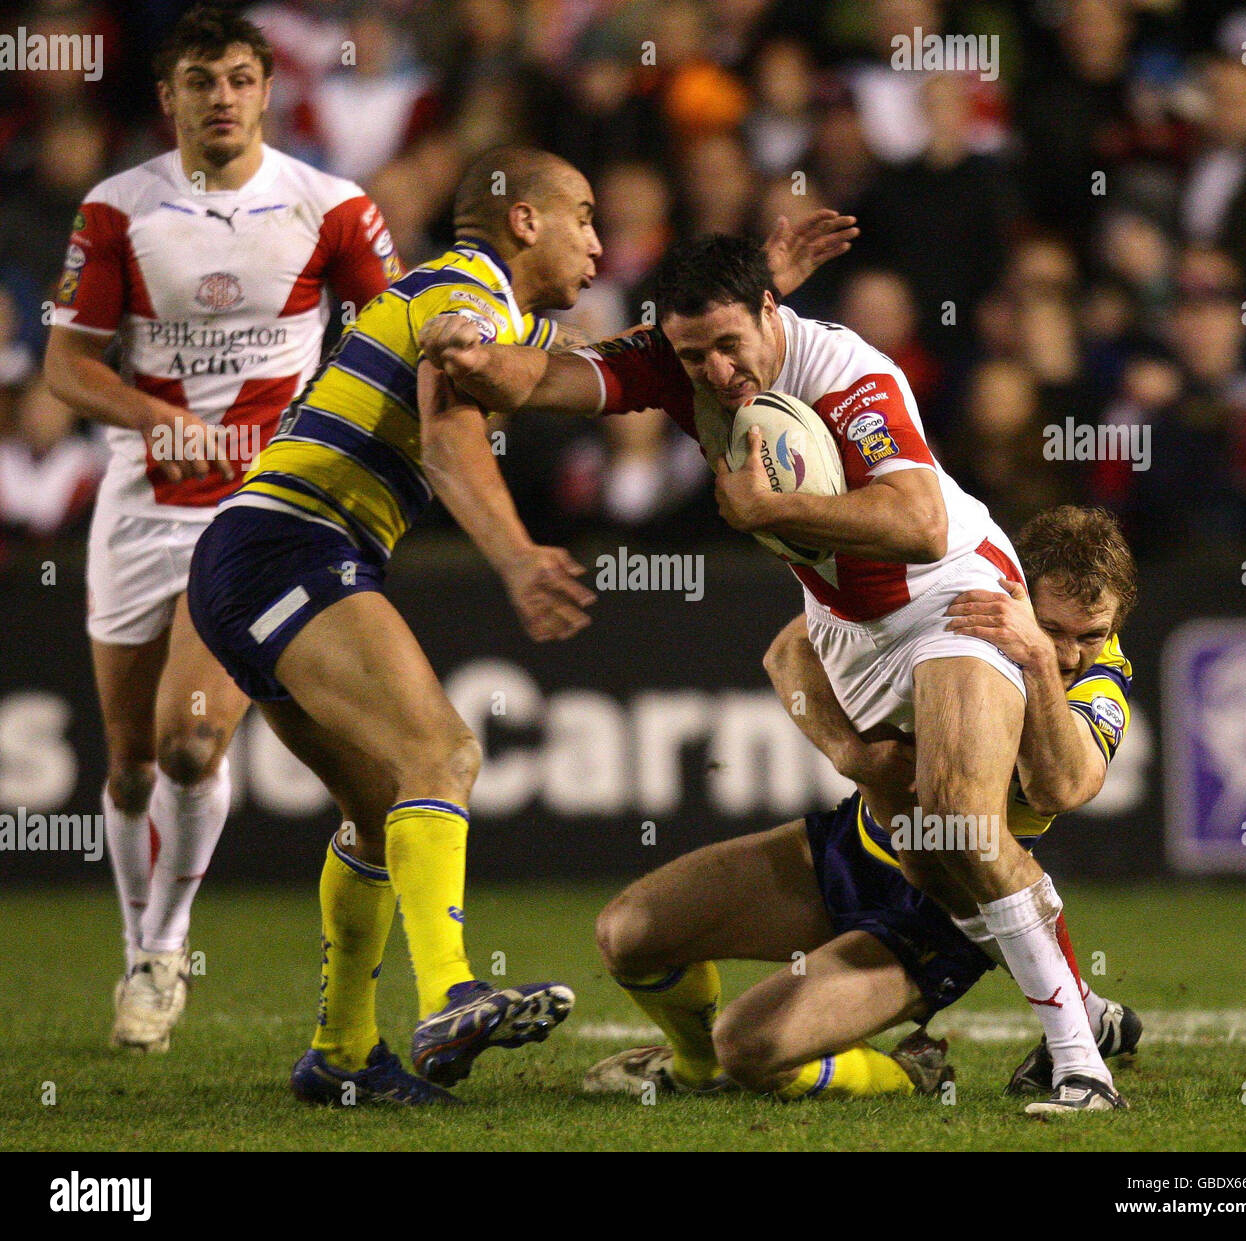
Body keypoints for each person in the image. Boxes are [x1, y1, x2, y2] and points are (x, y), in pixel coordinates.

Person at [186, 145, 855, 1105]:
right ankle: (450, 990)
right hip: (289, 546)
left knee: (380, 810)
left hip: (256, 552)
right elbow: (452, 418)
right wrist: (514, 556)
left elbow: (605, 361)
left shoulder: (478, 302)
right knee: (443, 755)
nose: (598, 239)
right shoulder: (470, 289)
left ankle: (340, 1054)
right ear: (524, 222)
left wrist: (758, 292)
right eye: (583, 216)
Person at [422, 235, 1126, 1112]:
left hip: (951, 590)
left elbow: (915, 520)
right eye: (692, 354)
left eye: (730, 345)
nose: (716, 373)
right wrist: (463, 338)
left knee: (953, 810)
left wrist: (767, 508)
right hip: (851, 635)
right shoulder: (677, 364)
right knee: (631, 934)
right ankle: (691, 1067)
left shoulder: (848, 372)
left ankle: (1079, 1064)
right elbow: (531, 379)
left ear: (771, 313)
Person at [42, 4, 402, 1054]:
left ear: (267, 88)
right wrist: (155, 416)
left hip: (256, 513)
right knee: (124, 764)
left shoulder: (329, 206)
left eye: (241, 78)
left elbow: (386, 344)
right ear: (170, 99)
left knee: (190, 742)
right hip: (140, 501)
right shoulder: (118, 210)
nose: (224, 99)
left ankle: (165, 946)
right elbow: (67, 366)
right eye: (202, 82)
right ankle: (137, 944)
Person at [584, 506, 1142, 1105]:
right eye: (1053, 629)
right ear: (1015, 589)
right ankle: (694, 1069)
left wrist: (1032, 655)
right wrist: (848, 752)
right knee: (628, 934)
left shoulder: (1100, 679)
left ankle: (910, 1074)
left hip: (937, 912)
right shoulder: (956, 597)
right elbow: (790, 652)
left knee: (749, 1048)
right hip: (848, 848)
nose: (1068, 654)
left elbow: (1063, 786)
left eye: (1091, 635)